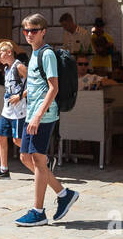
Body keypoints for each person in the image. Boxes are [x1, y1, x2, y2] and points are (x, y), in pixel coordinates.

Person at [14, 14, 78, 226]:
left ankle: (38, 211)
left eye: (34, 30)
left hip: (43, 115)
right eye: (26, 31)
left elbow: (53, 87)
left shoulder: (47, 54)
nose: (30, 34)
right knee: (25, 157)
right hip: (32, 114)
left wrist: (39, 115)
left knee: (39, 161)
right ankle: (63, 193)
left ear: (43, 31)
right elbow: (35, 85)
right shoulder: (34, 54)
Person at [0, 40, 27, 179]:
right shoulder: (6, 68)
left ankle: (41, 158)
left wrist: (20, 96)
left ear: (9, 52)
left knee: (17, 140)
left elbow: (34, 84)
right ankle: (3, 169)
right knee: (2, 135)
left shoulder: (19, 66)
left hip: (19, 109)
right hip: (7, 109)